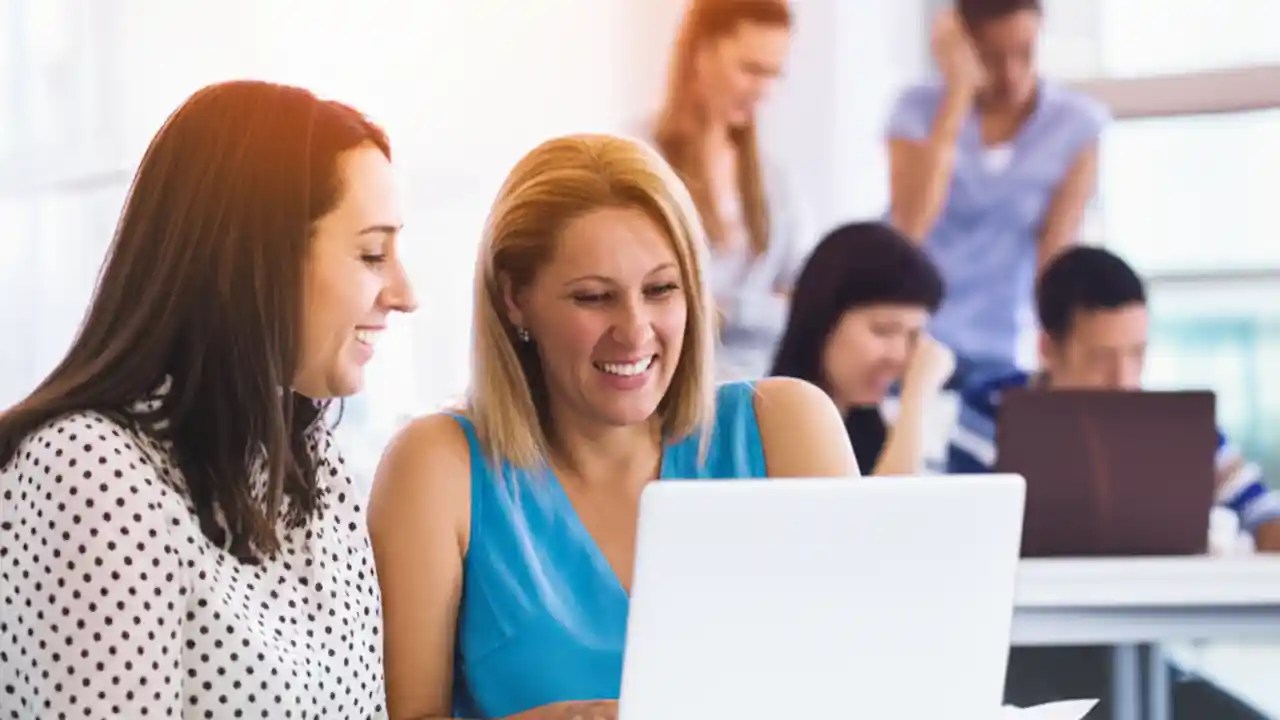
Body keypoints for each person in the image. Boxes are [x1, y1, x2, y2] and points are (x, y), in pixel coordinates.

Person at [370, 134, 857, 720]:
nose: (635, 330)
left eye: (661, 290)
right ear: (515, 300)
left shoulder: (786, 429)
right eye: (594, 297)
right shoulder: (437, 468)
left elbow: (864, 683)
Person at [0, 80, 417, 718]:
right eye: (371, 253)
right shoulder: (92, 470)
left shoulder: (313, 464)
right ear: (257, 257)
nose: (404, 293)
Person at [948, 245, 1278, 720]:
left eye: (1137, 355)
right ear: (1047, 348)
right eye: (1102, 357)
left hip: (1141, 654)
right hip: (1025, 662)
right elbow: (965, 533)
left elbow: (1261, 509)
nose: (1124, 379)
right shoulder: (990, 412)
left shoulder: (1174, 426)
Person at [887, 0, 1110, 383]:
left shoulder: (1075, 125)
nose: (1011, 75)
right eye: (992, 57)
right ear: (964, 45)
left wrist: (1060, 354)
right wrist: (957, 94)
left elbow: (1054, 254)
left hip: (998, 347)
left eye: (1025, 53)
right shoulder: (917, 111)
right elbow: (909, 229)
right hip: (909, 341)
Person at [653, 0, 816, 380]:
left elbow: (804, 300)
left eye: (775, 75)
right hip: (675, 388)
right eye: (751, 70)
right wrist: (760, 309)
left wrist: (724, 310)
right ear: (700, 54)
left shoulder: (776, 181)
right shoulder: (640, 161)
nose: (765, 91)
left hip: (765, 387)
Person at [771, 222, 955, 475]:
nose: (900, 356)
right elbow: (888, 512)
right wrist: (916, 400)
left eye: (914, 337)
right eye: (883, 330)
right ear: (823, 320)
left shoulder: (872, 430)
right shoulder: (779, 421)